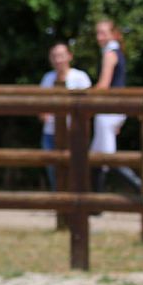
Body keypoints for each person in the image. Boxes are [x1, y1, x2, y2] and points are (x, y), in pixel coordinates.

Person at [91, 19, 141, 192]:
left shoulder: (109, 53)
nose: (99, 37)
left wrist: (84, 95)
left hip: (108, 110)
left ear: (113, 34)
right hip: (114, 110)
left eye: (103, 33)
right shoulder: (116, 51)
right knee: (96, 155)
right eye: (98, 33)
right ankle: (95, 200)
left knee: (108, 157)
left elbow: (103, 85)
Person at [38, 41, 91, 189]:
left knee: (76, 169)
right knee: (52, 170)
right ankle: (59, 198)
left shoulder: (80, 77)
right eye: (54, 56)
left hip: (74, 133)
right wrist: (42, 114)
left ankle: (75, 198)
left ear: (69, 56)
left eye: (61, 55)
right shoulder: (47, 78)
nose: (58, 60)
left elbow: (89, 107)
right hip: (50, 132)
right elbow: (40, 104)